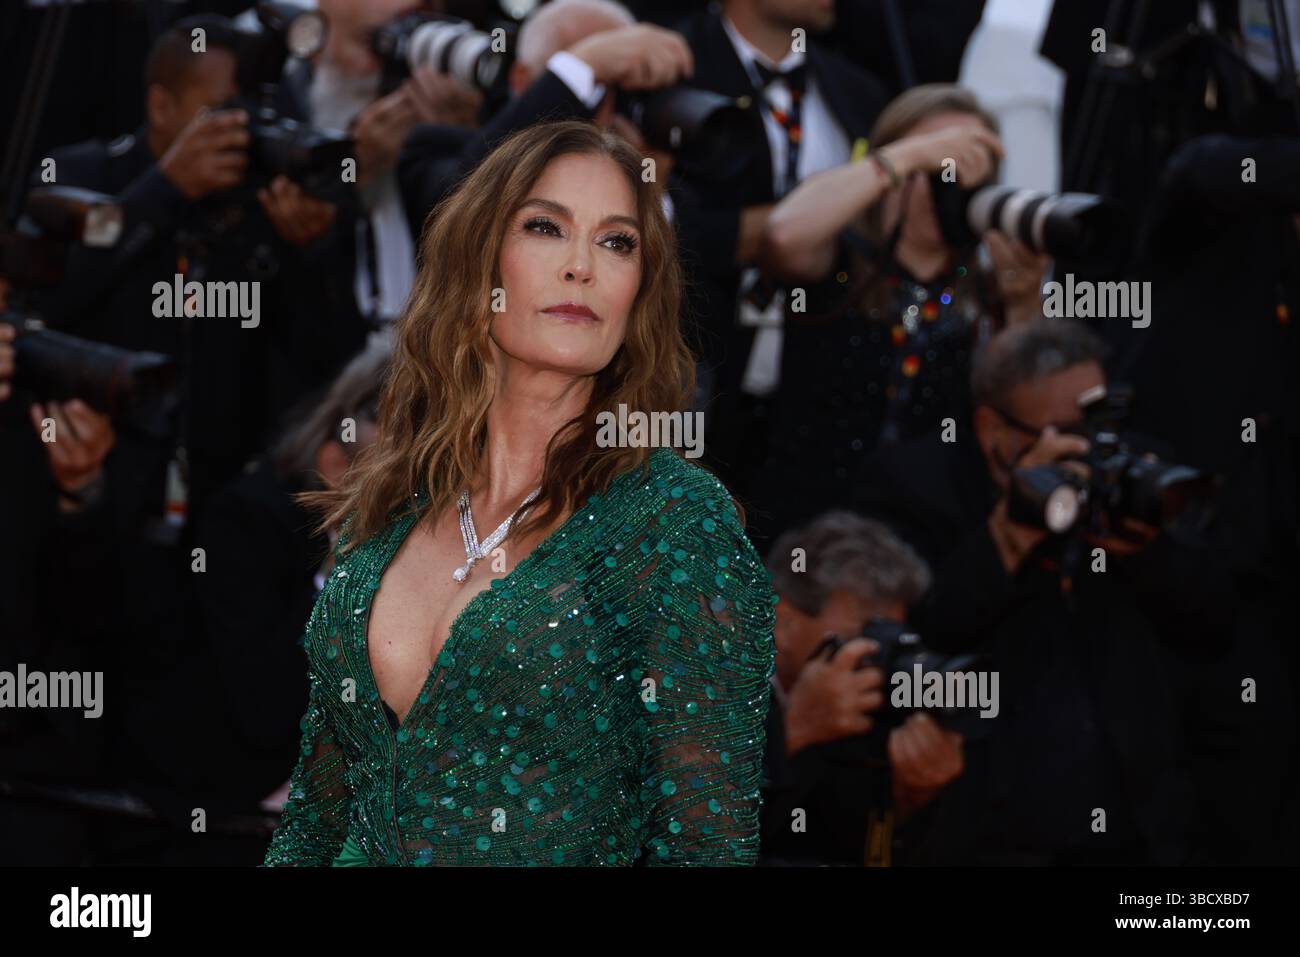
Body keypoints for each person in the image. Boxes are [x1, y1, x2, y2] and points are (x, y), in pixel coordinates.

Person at [261, 120, 778, 867]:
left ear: (640, 289)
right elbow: (316, 813)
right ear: (480, 265)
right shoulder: (389, 500)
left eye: (617, 242)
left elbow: (707, 845)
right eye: (546, 227)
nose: (582, 267)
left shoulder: (674, 523)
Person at [853, 318, 1235, 864]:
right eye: (1063, 433)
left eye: (1097, 428)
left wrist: (1146, 549)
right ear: (992, 430)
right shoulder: (914, 485)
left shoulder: (1135, 472)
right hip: (987, 825)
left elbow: (1214, 623)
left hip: (1137, 823)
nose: (1087, 453)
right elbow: (912, 637)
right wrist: (1011, 534)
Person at [751, 83, 1047, 547]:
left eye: (964, 169)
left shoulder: (990, 290)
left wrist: (1026, 302)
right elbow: (782, 237)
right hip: (803, 537)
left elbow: (1028, 414)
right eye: (934, 167)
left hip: (929, 545)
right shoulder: (840, 261)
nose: (945, 182)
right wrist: (911, 156)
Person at [759, 510, 964, 866]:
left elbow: (864, 852)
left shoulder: (875, 709)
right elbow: (680, 837)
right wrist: (794, 730)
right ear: (784, 623)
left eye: (892, 639)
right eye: (865, 634)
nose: (876, 656)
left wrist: (910, 798)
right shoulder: (703, 690)